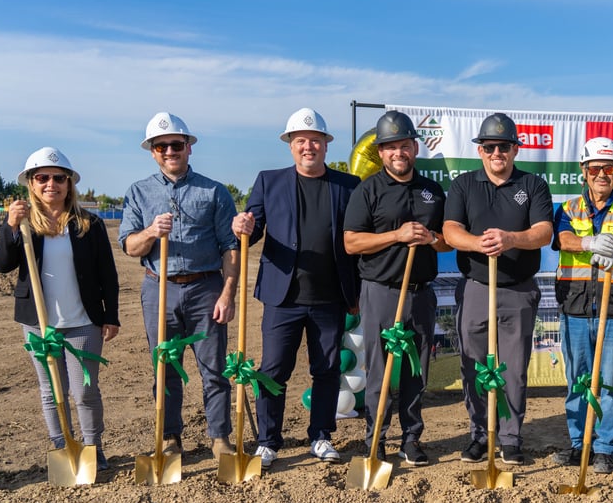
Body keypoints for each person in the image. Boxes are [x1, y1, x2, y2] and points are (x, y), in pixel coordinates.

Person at [233, 108, 360, 468]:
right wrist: (241, 225)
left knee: (327, 368)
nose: (308, 146)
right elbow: (252, 230)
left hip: (331, 296)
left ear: (325, 145)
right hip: (282, 297)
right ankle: (268, 440)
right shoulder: (268, 182)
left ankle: (320, 435)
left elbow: (355, 239)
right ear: (290, 145)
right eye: (301, 140)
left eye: (315, 140)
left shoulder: (347, 186)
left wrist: (357, 293)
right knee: (273, 369)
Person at [119, 112, 239, 460]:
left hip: (205, 288)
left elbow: (230, 247)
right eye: (161, 146)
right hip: (159, 288)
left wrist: (227, 294)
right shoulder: (138, 193)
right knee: (166, 368)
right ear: (153, 152)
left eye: (176, 144)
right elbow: (130, 247)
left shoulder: (214, 191)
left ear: (188, 147)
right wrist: (152, 233)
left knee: (213, 368)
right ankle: (170, 437)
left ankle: (219, 438)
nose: (169, 150)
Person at [0, 147, 119, 471]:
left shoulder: (89, 224)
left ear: (69, 184)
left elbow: (108, 273)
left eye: (58, 178)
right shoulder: (23, 225)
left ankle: (93, 448)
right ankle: (63, 447)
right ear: (31, 184)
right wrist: (9, 228)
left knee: (85, 390)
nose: (51, 184)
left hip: (83, 322)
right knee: (51, 391)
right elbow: (1, 265)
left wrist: (111, 315)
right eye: (43, 178)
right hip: (39, 324)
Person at [443, 112, 554, 466]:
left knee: (513, 367)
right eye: (489, 147)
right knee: (473, 364)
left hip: (518, 290)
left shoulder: (533, 185)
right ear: (480, 150)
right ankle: (479, 434)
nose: (496, 153)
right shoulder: (464, 185)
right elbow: (449, 231)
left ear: (515, 149)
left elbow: (544, 233)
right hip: (476, 286)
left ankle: (509, 437)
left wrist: (509, 239)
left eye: (503, 147)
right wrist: (478, 244)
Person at [343, 110, 450, 466]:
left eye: (403, 145)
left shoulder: (432, 191)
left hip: (421, 293)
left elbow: (447, 242)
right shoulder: (367, 190)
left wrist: (432, 237)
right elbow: (351, 243)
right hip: (380, 291)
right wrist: (397, 235)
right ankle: (376, 439)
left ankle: (411, 439)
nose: (397, 153)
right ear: (382, 152)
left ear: (414, 147)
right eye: (390, 148)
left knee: (416, 370)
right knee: (380, 372)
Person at [550, 137, 613, 474]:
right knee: (577, 380)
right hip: (575, 306)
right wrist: (589, 242)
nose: (601, 174)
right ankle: (580, 445)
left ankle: (605, 447)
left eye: (608, 168)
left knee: (610, 381)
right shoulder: (567, 209)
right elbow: (562, 239)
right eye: (595, 168)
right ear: (584, 171)